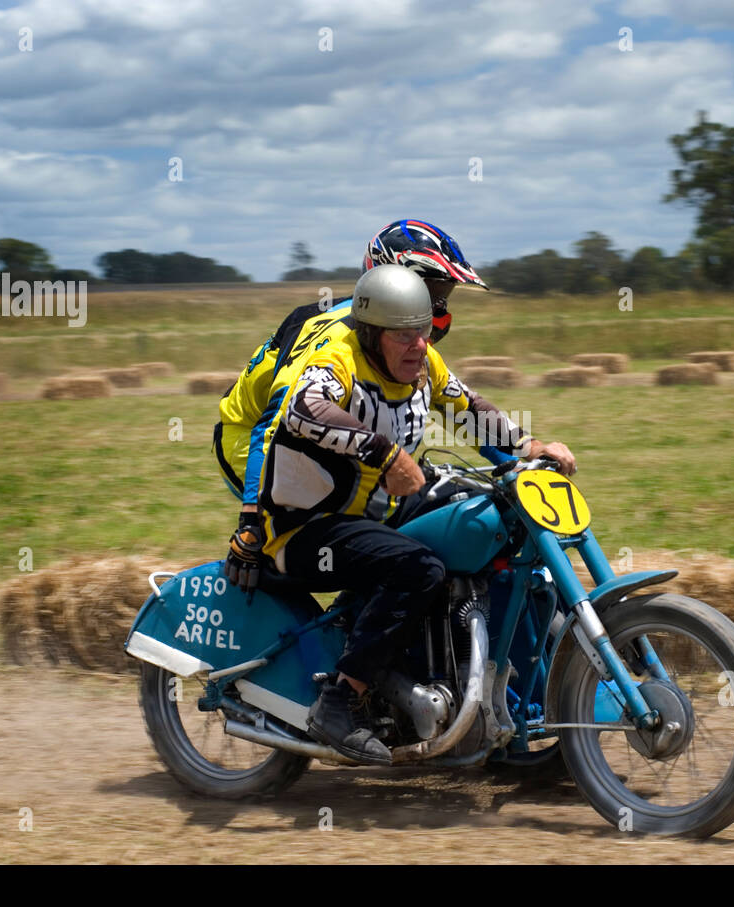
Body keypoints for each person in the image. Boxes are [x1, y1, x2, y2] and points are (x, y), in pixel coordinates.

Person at [224, 264, 575, 764]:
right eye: (404, 336)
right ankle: (339, 702)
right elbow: (303, 410)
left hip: (372, 513)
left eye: (424, 332)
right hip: (305, 526)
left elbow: (469, 409)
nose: (418, 346)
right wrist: (386, 455)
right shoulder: (336, 359)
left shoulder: (423, 363)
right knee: (418, 569)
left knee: (478, 514)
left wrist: (529, 447)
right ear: (371, 334)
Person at [213, 220, 491, 518]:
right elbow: (273, 425)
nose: (440, 310)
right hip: (250, 441)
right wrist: (252, 515)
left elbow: (461, 411)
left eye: (444, 298)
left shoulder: (393, 334)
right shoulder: (335, 335)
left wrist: (524, 456)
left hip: (314, 436)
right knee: (339, 527)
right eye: (433, 295)